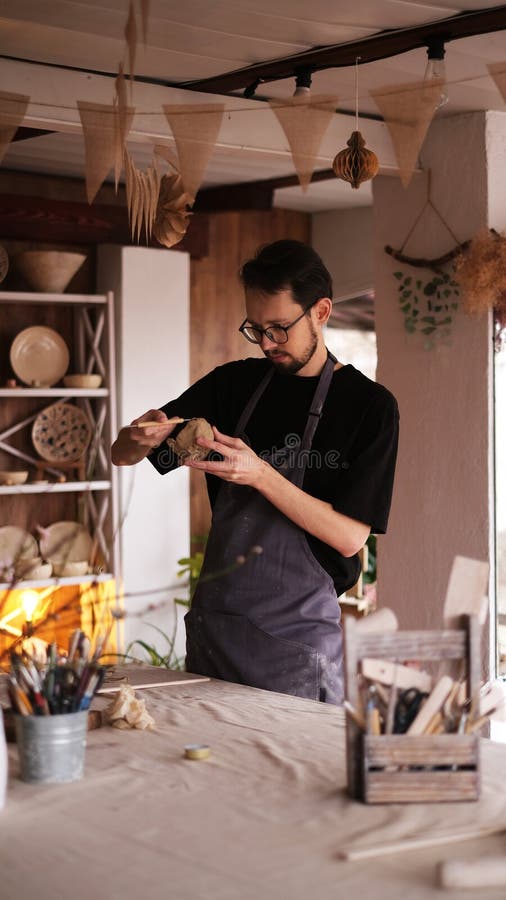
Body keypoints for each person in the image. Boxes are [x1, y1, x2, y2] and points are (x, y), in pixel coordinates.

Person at [111, 240, 399, 705]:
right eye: (256, 328)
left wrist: (261, 475)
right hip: (217, 636)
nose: (266, 343)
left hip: (297, 649)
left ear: (321, 312)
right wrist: (137, 436)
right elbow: (121, 454)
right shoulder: (234, 384)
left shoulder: (369, 407)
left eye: (279, 328)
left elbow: (349, 538)